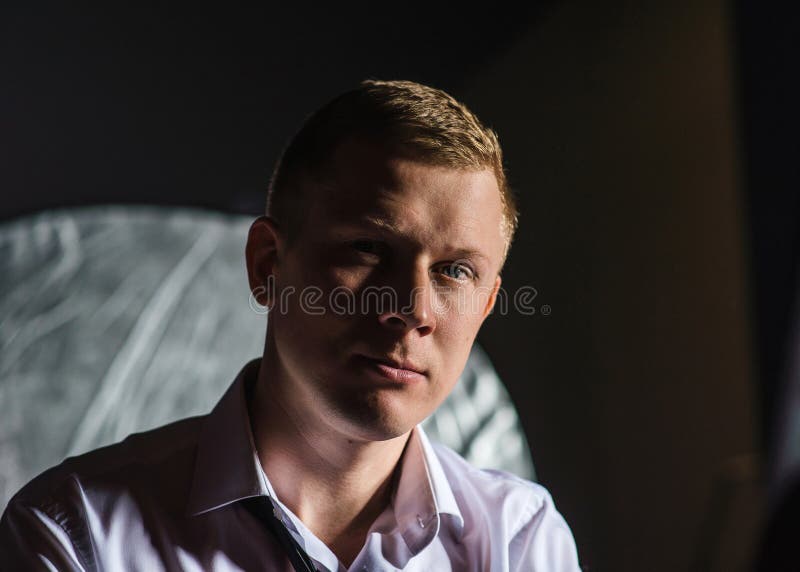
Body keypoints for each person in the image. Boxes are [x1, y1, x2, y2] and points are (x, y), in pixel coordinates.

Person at [0, 79, 580, 571]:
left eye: (454, 271)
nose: (413, 309)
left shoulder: (522, 541)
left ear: (486, 305)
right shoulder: (76, 536)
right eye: (369, 248)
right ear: (267, 266)